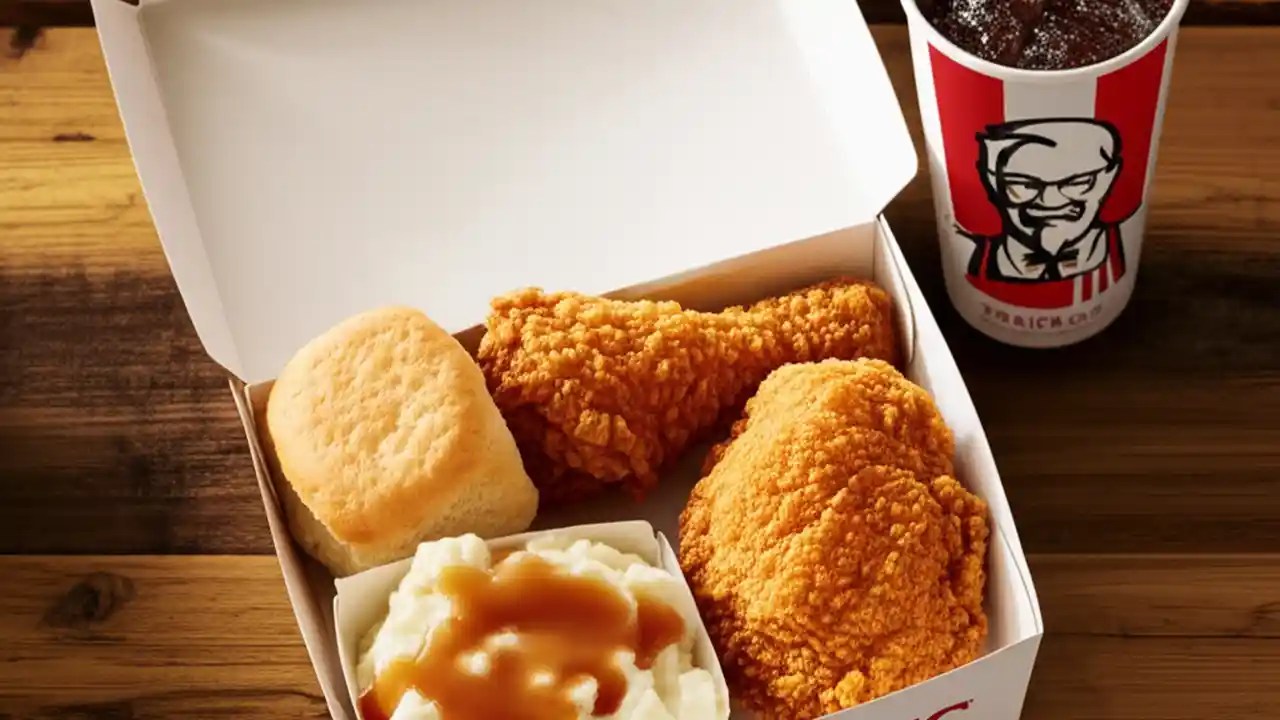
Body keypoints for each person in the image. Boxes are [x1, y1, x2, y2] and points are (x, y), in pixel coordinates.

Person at [964, 118, 1129, 310]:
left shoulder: (1123, 238)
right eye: (1024, 184)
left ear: (1109, 178)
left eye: (1078, 182)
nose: (1051, 202)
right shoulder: (970, 252)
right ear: (991, 182)